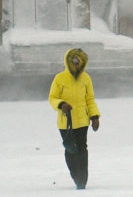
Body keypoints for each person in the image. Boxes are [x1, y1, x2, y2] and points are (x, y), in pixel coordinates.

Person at [49, 48, 101, 190]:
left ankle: (82, 180)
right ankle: (75, 175)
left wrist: (94, 116)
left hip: (83, 121)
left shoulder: (86, 79)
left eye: (79, 62)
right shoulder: (59, 79)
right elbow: (52, 98)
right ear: (68, 62)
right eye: (74, 61)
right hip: (66, 123)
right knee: (71, 150)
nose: (76, 64)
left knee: (82, 149)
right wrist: (61, 105)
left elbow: (90, 99)